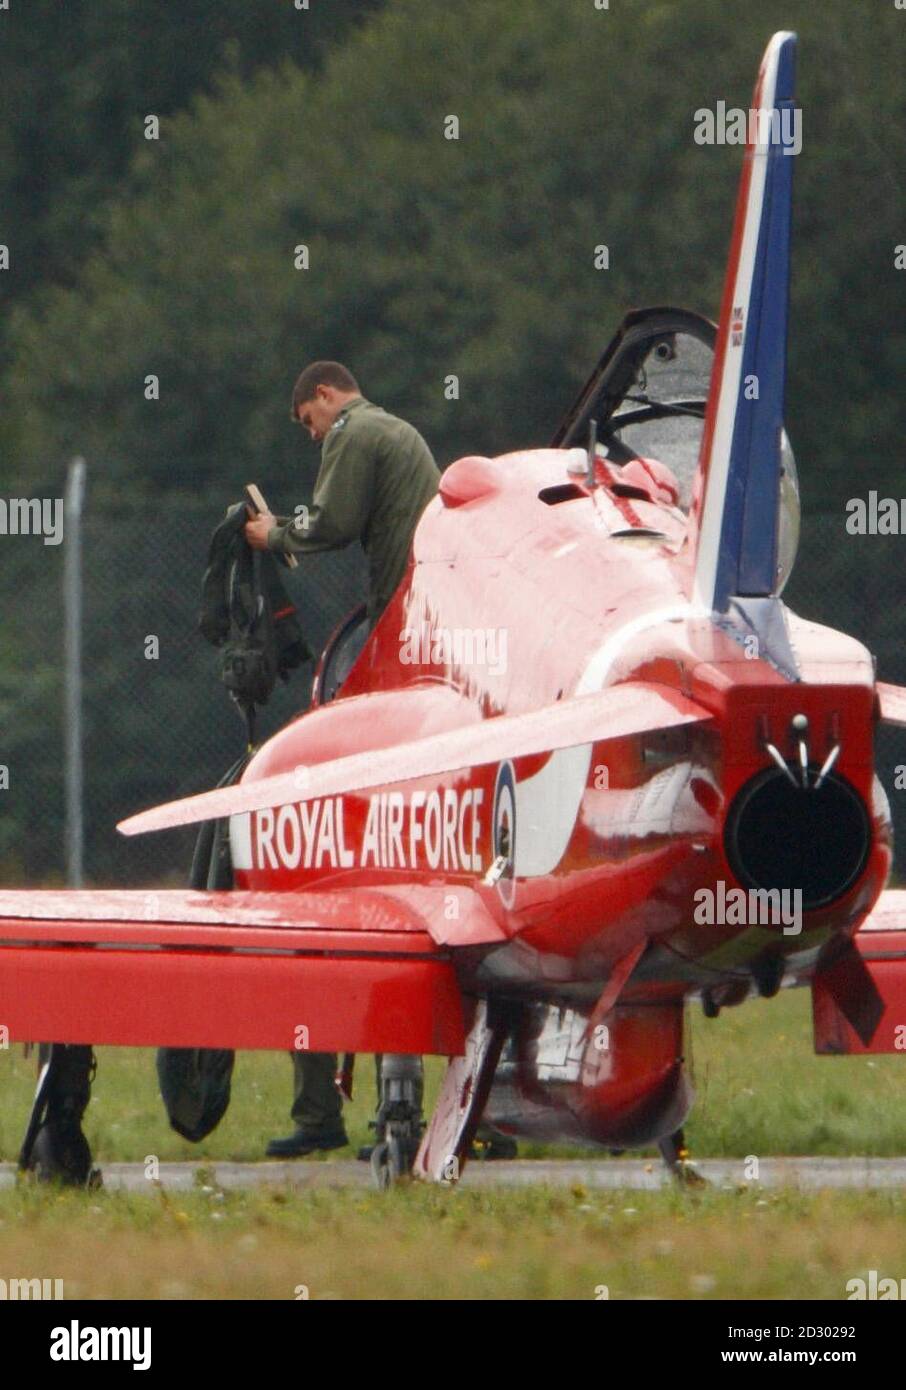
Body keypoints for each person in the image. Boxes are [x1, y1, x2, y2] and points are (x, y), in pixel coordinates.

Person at [245, 361, 440, 1158]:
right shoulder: (403, 434)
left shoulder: (359, 432)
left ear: (326, 397)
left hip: (405, 635)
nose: (313, 434)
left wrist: (271, 535)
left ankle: (320, 1114)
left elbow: (328, 524)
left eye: (307, 422)